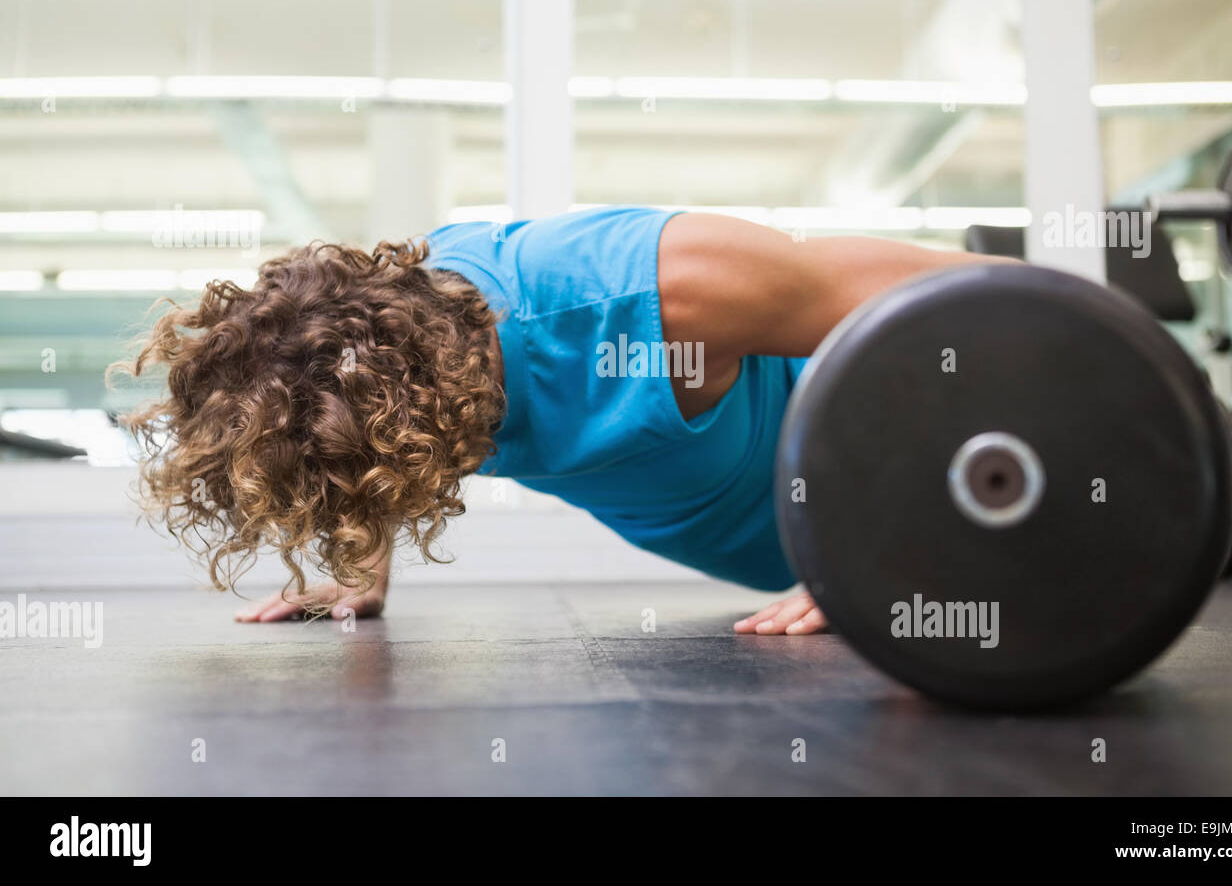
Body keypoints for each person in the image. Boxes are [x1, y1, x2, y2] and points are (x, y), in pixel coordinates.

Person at [113, 206, 1008, 637]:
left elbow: (990, 305)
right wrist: (361, 567)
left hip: (948, 513)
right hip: (788, 568)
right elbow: (350, 424)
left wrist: (891, 554)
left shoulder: (669, 289)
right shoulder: (391, 355)